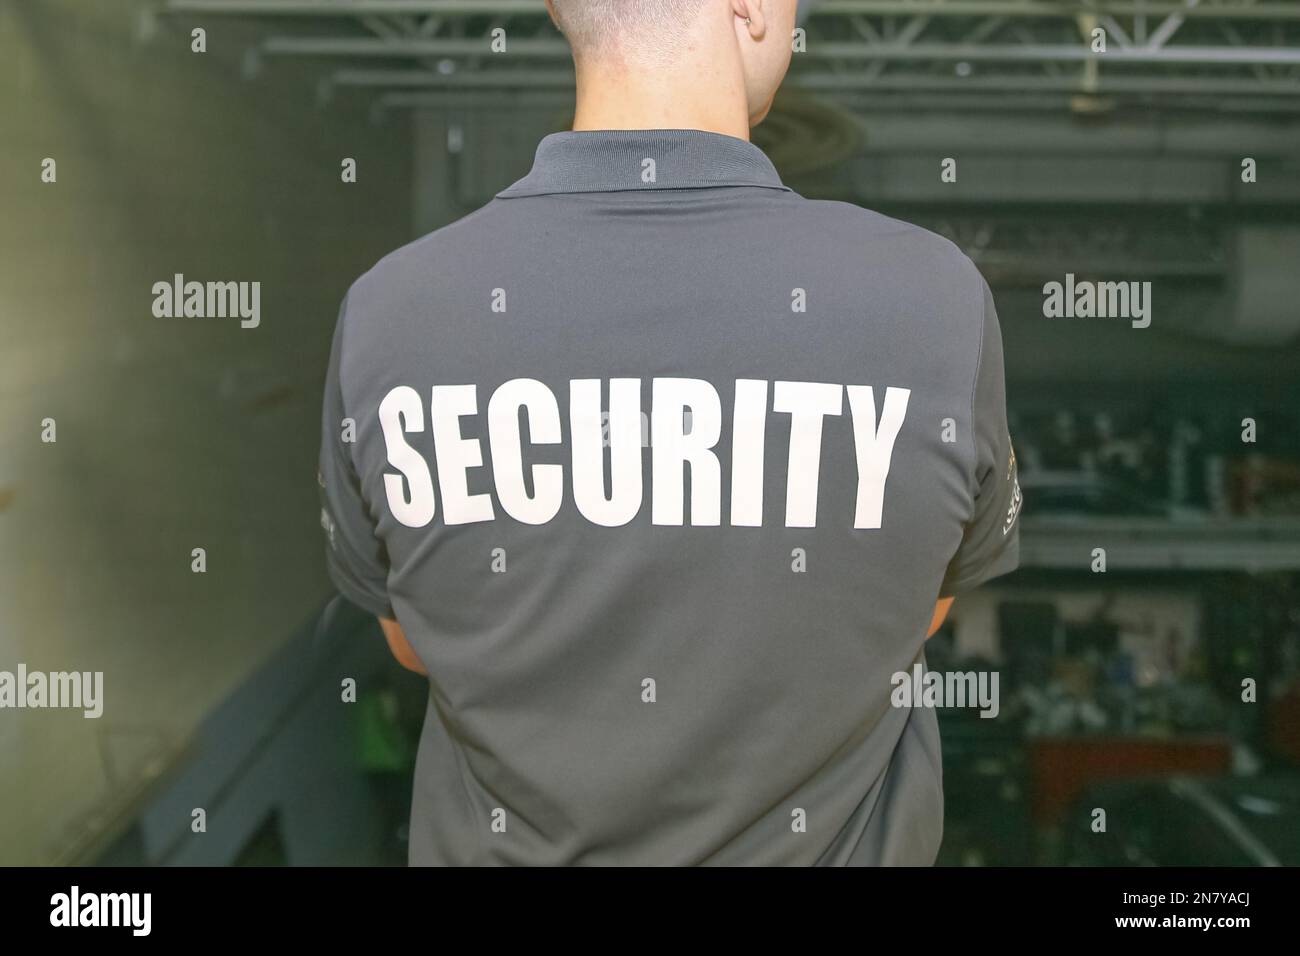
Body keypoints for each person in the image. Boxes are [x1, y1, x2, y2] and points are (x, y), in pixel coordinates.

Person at [318, 0, 1021, 865]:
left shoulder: (392, 311)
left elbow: (411, 637)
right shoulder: (934, 300)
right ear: (754, 9)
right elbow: (921, 605)